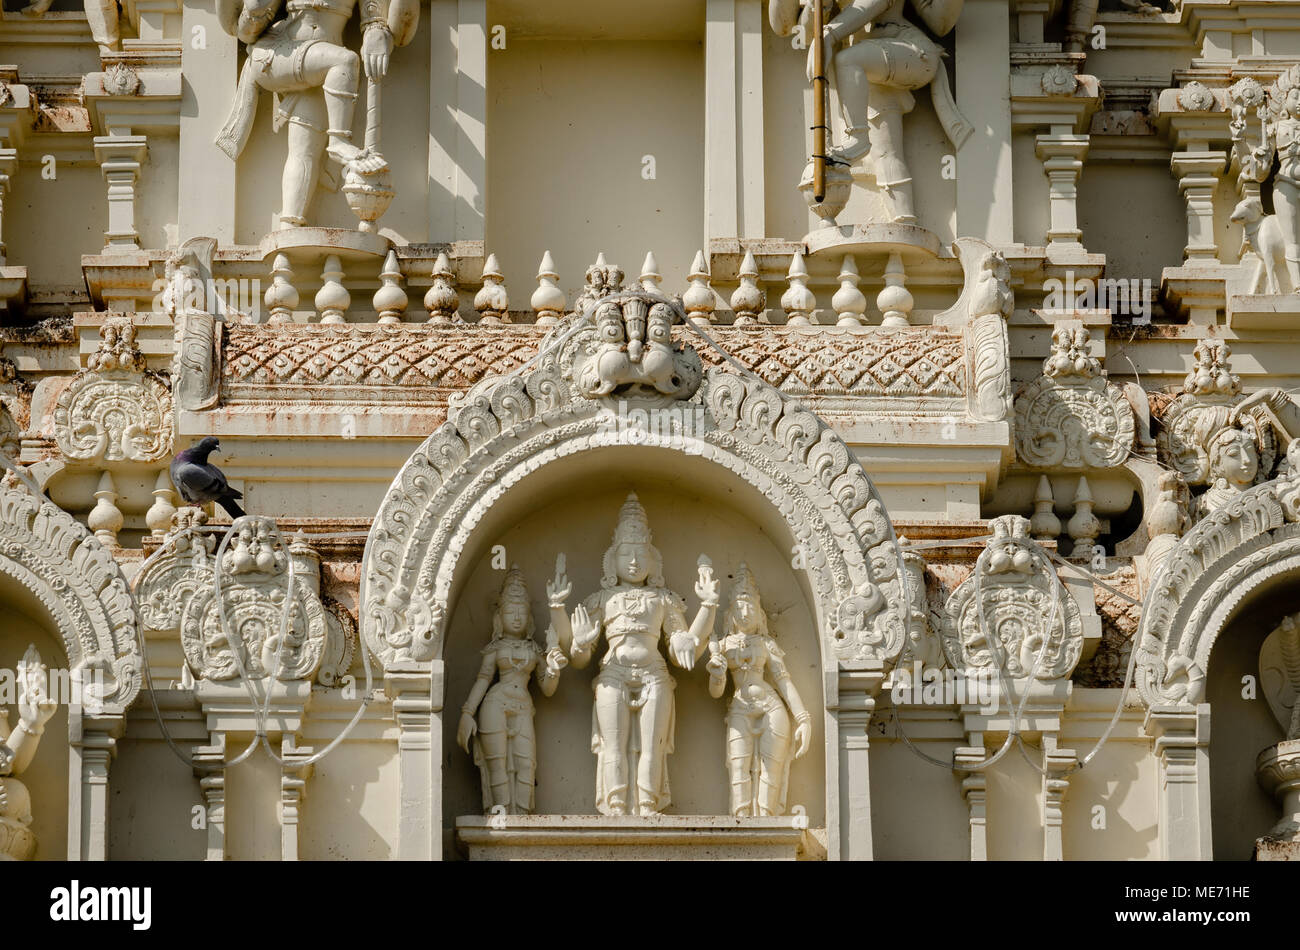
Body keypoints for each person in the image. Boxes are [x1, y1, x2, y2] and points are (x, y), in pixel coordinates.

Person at [547, 494, 719, 816]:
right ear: (612, 558)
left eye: (641, 554)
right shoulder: (601, 599)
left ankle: (648, 805)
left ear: (653, 559)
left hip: (654, 673)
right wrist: (570, 628)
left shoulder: (664, 599)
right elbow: (578, 657)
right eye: (626, 553)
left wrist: (708, 607)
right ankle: (615, 806)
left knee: (653, 748)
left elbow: (687, 647)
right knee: (613, 746)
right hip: (613, 673)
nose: (634, 561)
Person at [214, 0, 419, 228]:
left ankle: (288, 232)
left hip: (321, 67)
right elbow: (244, 32)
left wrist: (378, 33)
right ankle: (339, 142)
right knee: (346, 60)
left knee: (304, 149)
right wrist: (255, 9)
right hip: (278, 53)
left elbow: (383, 22)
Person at [457, 566, 566, 815]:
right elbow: (483, 680)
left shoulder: (535, 650)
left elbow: (547, 689)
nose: (516, 617)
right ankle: (500, 812)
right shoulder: (495, 649)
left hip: (523, 705)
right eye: (510, 611)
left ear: (529, 617)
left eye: (521, 612)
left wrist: (553, 669)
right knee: (497, 764)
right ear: (500, 617)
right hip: (495, 704)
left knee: (526, 763)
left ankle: (522, 815)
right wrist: (467, 713)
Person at [707, 563, 811, 817]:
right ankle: (741, 821)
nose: (744, 612)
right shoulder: (721, 646)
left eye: (750, 606)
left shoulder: (766, 644)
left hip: (771, 707)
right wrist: (717, 674)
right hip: (740, 708)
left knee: (770, 771)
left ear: (760, 613)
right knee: (738, 766)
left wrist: (803, 719)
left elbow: (784, 680)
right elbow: (716, 693)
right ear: (730, 613)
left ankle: (767, 821)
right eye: (739, 607)